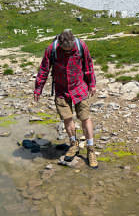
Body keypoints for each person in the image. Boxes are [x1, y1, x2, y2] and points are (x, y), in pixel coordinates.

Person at [34, 29, 98, 168]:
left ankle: (91, 149)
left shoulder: (81, 46)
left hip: (79, 87)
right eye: (65, 49)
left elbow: (88, 65)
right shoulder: (52, 49)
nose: (69, 51)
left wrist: (92, 84)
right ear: (60, 44)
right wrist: (38, 88)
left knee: (85, 118)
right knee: (67, 118)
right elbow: (44, 69)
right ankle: (73, 144)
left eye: (71, 49)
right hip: (61, 90)